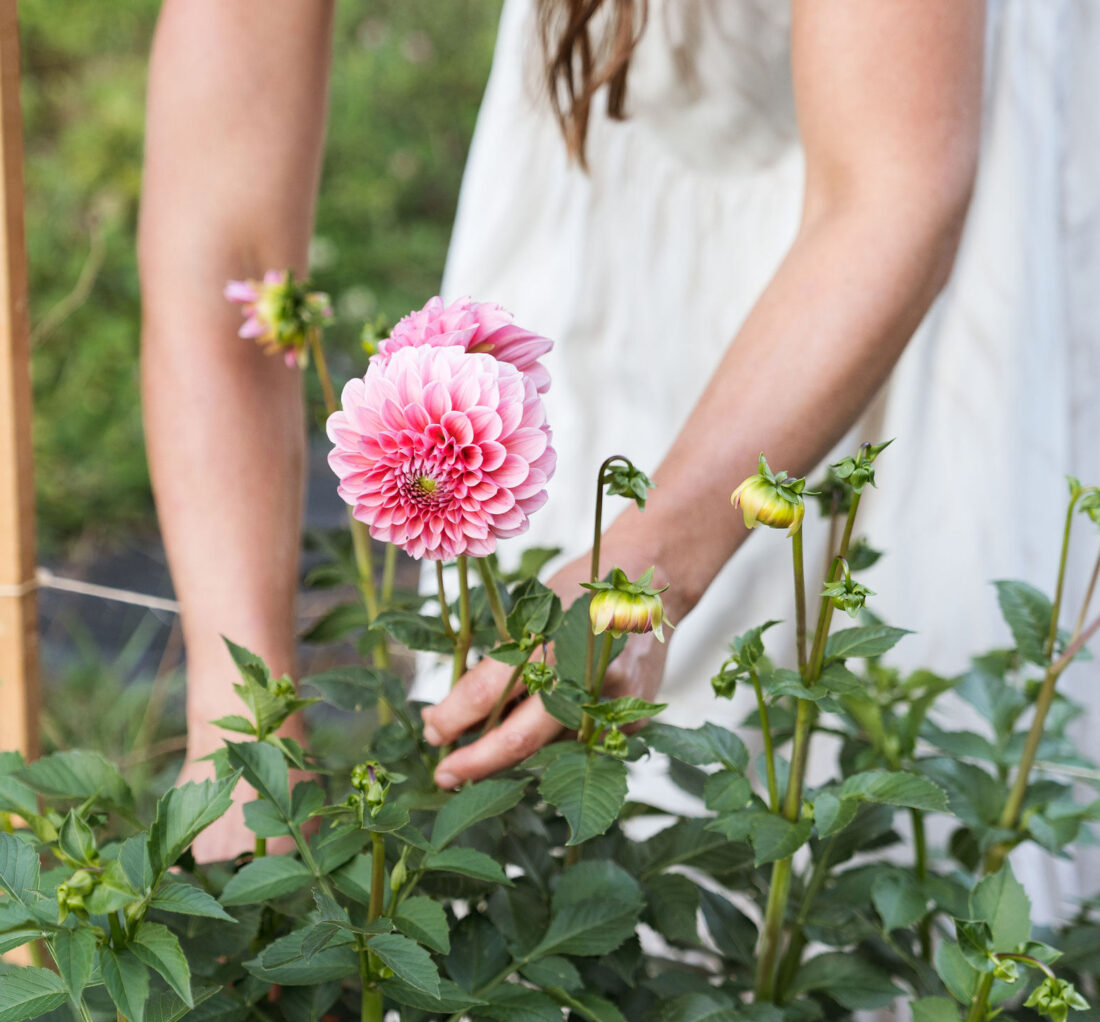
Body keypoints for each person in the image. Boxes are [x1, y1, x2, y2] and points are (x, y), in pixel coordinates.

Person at [140, 0, 1099, 881]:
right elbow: (220, 243)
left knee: (875, 806)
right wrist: (240, 735)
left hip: (921, 154)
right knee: (528, 791)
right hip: (600, 155)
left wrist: (649, 566)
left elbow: (894, 189)